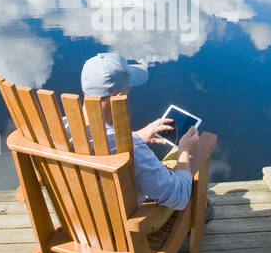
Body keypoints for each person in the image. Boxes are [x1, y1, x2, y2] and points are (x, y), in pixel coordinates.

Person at [80, 52, 206, 215]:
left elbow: (100, 140)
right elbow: (179, 198)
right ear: (118, 97)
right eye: (127, 92)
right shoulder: (135, 151)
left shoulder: (56, 130)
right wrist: (184, 151)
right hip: (124, 226)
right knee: (192, 159)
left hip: (78, 221)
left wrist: (137, 135)